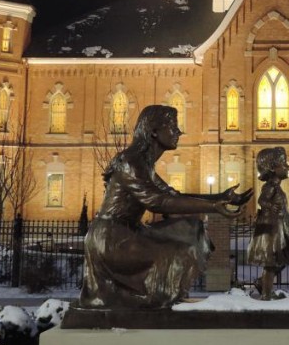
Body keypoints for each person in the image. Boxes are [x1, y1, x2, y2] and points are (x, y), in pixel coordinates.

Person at [81, 105, 252, 310]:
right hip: (112, 239)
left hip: (130, 232)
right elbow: (157, 202)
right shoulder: (130, 162)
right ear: (154, 131)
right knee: (182, 250)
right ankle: (159, 299)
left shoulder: (145, 164)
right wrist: (213, 207)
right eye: (172, 127)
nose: (178, 131)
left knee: (192, 229)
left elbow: (172, 195)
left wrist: (220, 197)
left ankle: (168, 297)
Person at [247, 147, 289, 300]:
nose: (287, 166)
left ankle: (262, 284)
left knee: (281, 260)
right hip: (272, 229)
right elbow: (262, 200)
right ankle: (266, 295)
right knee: (271, 263)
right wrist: (270, 206)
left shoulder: (277, 187)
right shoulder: (271, 186)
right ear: (274, 168)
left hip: (279, 227)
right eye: (284, 164)